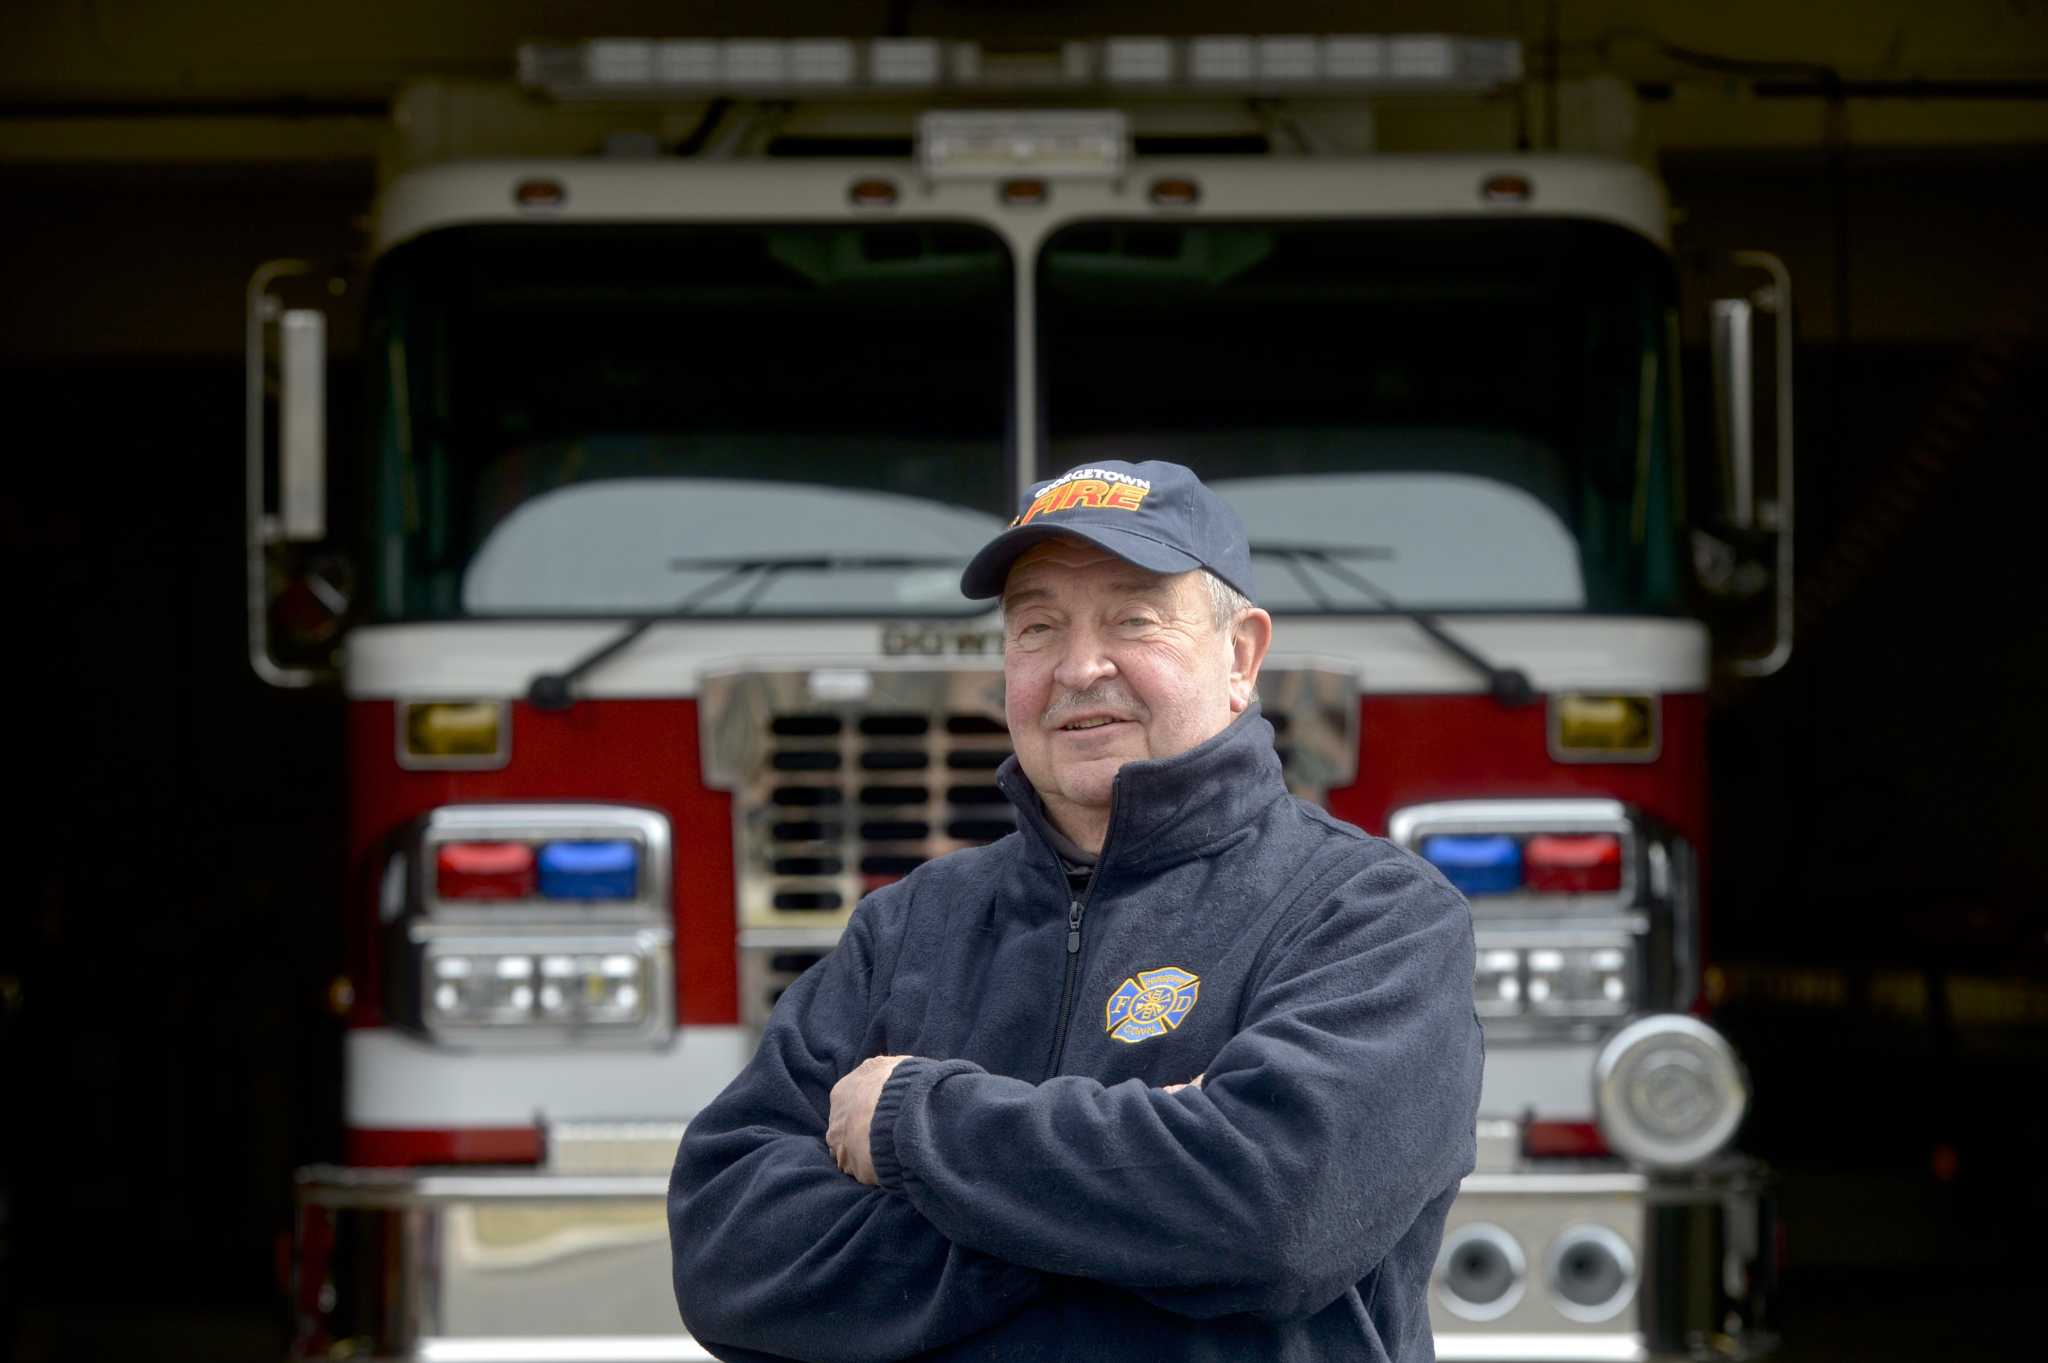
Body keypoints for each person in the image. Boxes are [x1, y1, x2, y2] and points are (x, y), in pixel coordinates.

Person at [669, 459, 1484, 1362]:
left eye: (1134, 619)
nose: (1079, 666)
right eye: (1036, 627)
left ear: (1242, 655)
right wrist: (1144, 1200)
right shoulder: (906, 928)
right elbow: (727, 1254)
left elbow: (1278, 1213)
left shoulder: (1374, 918)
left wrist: (909, 1126)